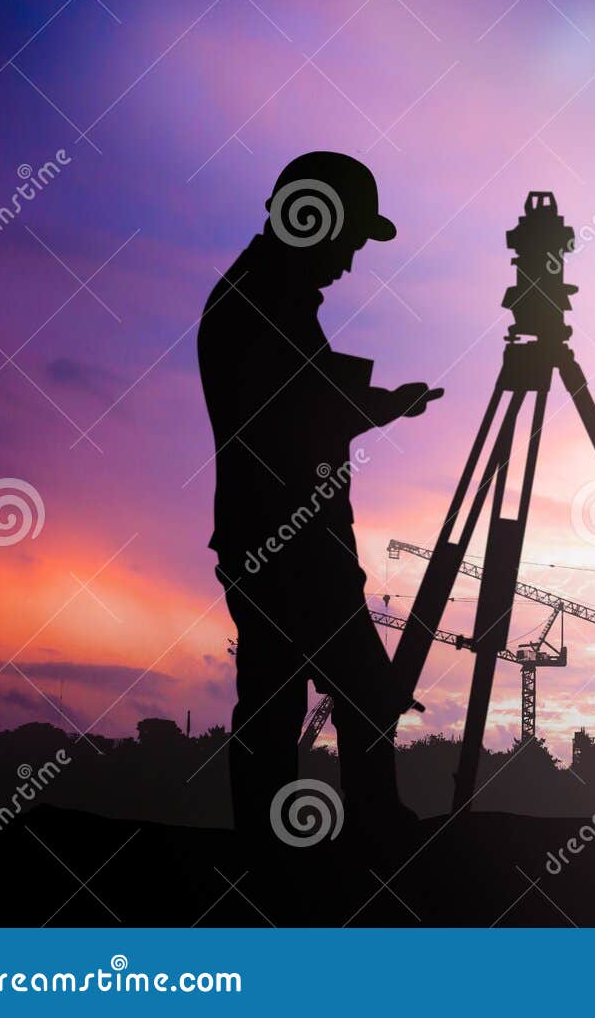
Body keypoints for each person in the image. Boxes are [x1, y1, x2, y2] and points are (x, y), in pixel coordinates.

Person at [198, 151, 442, 840]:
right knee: (355, 690)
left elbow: (299, 401)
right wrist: (376, 406)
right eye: (349, 239)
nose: (350, 260)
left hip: (285, 535)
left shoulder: (266, 297)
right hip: (288, 542)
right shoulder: (260, 301)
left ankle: (282, 840)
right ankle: (360, 835)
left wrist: (374, 403)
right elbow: (290, 413)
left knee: (287, 692)